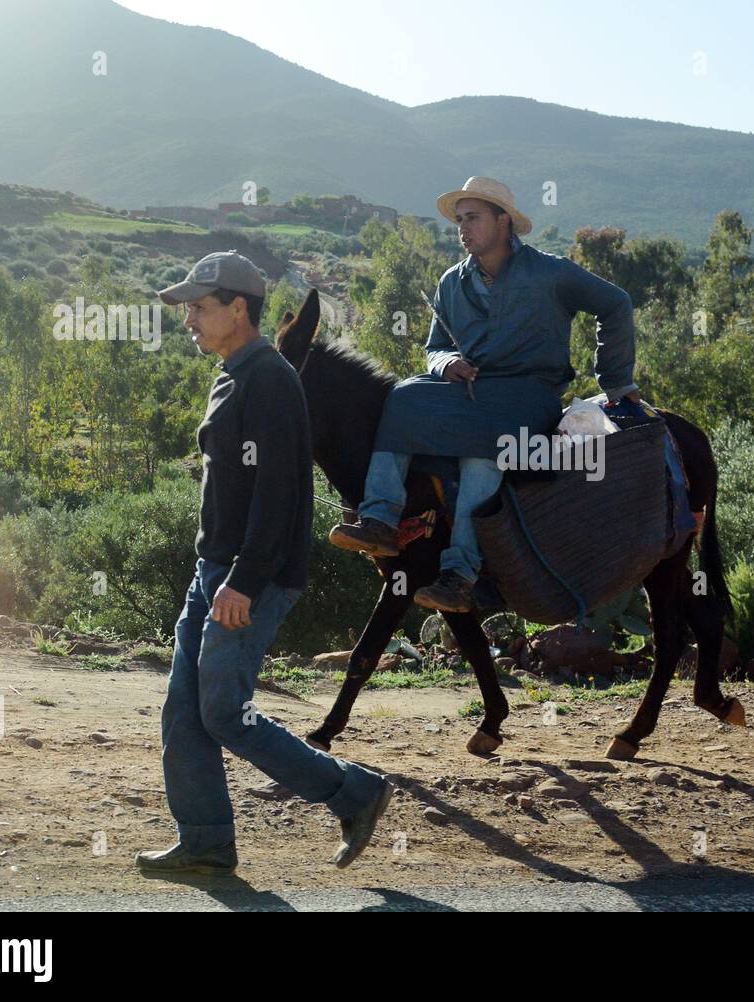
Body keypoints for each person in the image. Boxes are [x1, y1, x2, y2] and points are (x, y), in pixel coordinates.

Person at [136, 251, 393, 876]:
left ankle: (354, 792)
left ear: (238, 309)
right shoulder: (233, 371)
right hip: (215, 573)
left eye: (200, 307)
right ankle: (205, 841)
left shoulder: (271, 380)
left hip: (249, 579)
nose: (190, 319)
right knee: (185, 708)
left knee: (223, 710)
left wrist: (244, 581)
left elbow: (279, 493)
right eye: (189, 309)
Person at [330, 177, 642, 612]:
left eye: (472, 218)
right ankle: (380, 518)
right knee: (402, 396)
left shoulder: (551, 273)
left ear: (504, 221)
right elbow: (435, 346)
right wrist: (446, 364)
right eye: (459, 220)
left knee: (483, 456)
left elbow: (616, 304)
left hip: (529, 398)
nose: (462, 228)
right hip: (472, 394)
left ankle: (458, 576)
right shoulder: (450, 283)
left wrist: (615, 383)